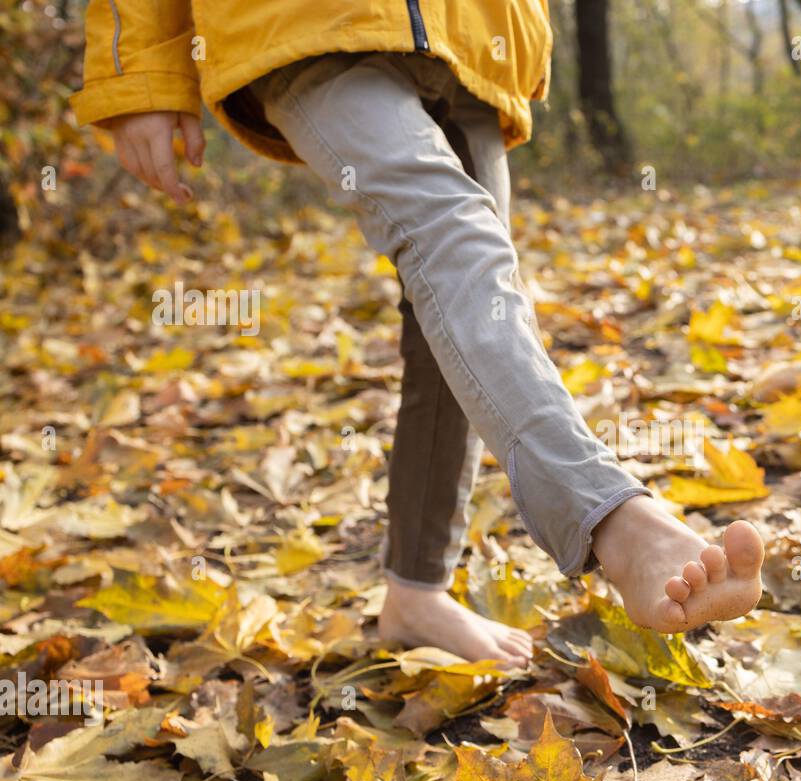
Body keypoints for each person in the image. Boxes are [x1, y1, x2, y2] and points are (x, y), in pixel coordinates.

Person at [73, 0, 764, 664]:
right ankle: (611, 519)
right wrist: (139, 72)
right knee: (457, 241)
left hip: (472, 34)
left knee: (460, 302)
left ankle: (415, 590)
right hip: (304, 25)